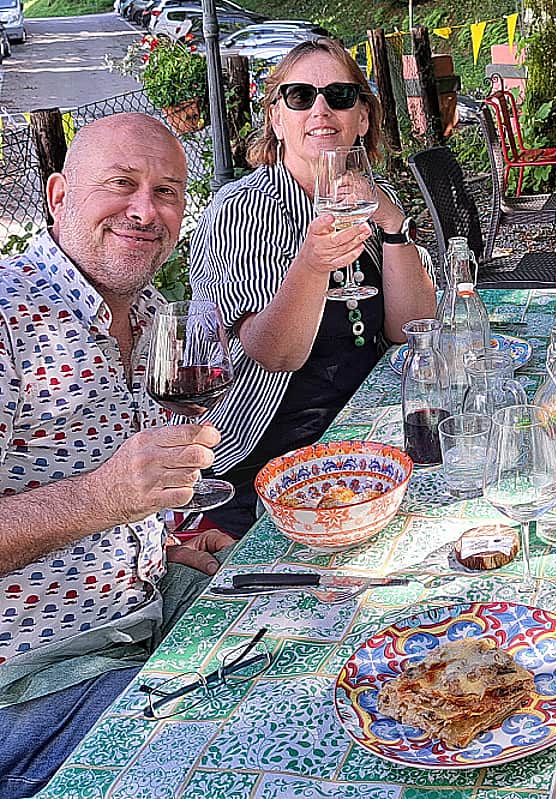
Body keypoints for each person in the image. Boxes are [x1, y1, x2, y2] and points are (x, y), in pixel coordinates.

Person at [0, 113, 232, 799]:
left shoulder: (154, 309)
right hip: (36, 675)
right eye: (121, 184)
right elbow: (104, 488)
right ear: (59, 196)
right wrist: (105, 498)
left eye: (166, 190)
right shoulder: (8, 316)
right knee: (224, 759)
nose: (145, 208)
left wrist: (157, 539)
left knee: (317, 619)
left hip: (141, 610)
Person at [189, 38, 436, 537]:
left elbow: (416, 330)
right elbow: (274, 354)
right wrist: (313, 263)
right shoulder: (241, 209)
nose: (321, 109)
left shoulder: (369, 200)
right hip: (270, 454)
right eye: (300, 96)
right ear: (277, 120)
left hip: (370, 431)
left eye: (340, 96)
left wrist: (392, 225)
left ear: (362, 118)